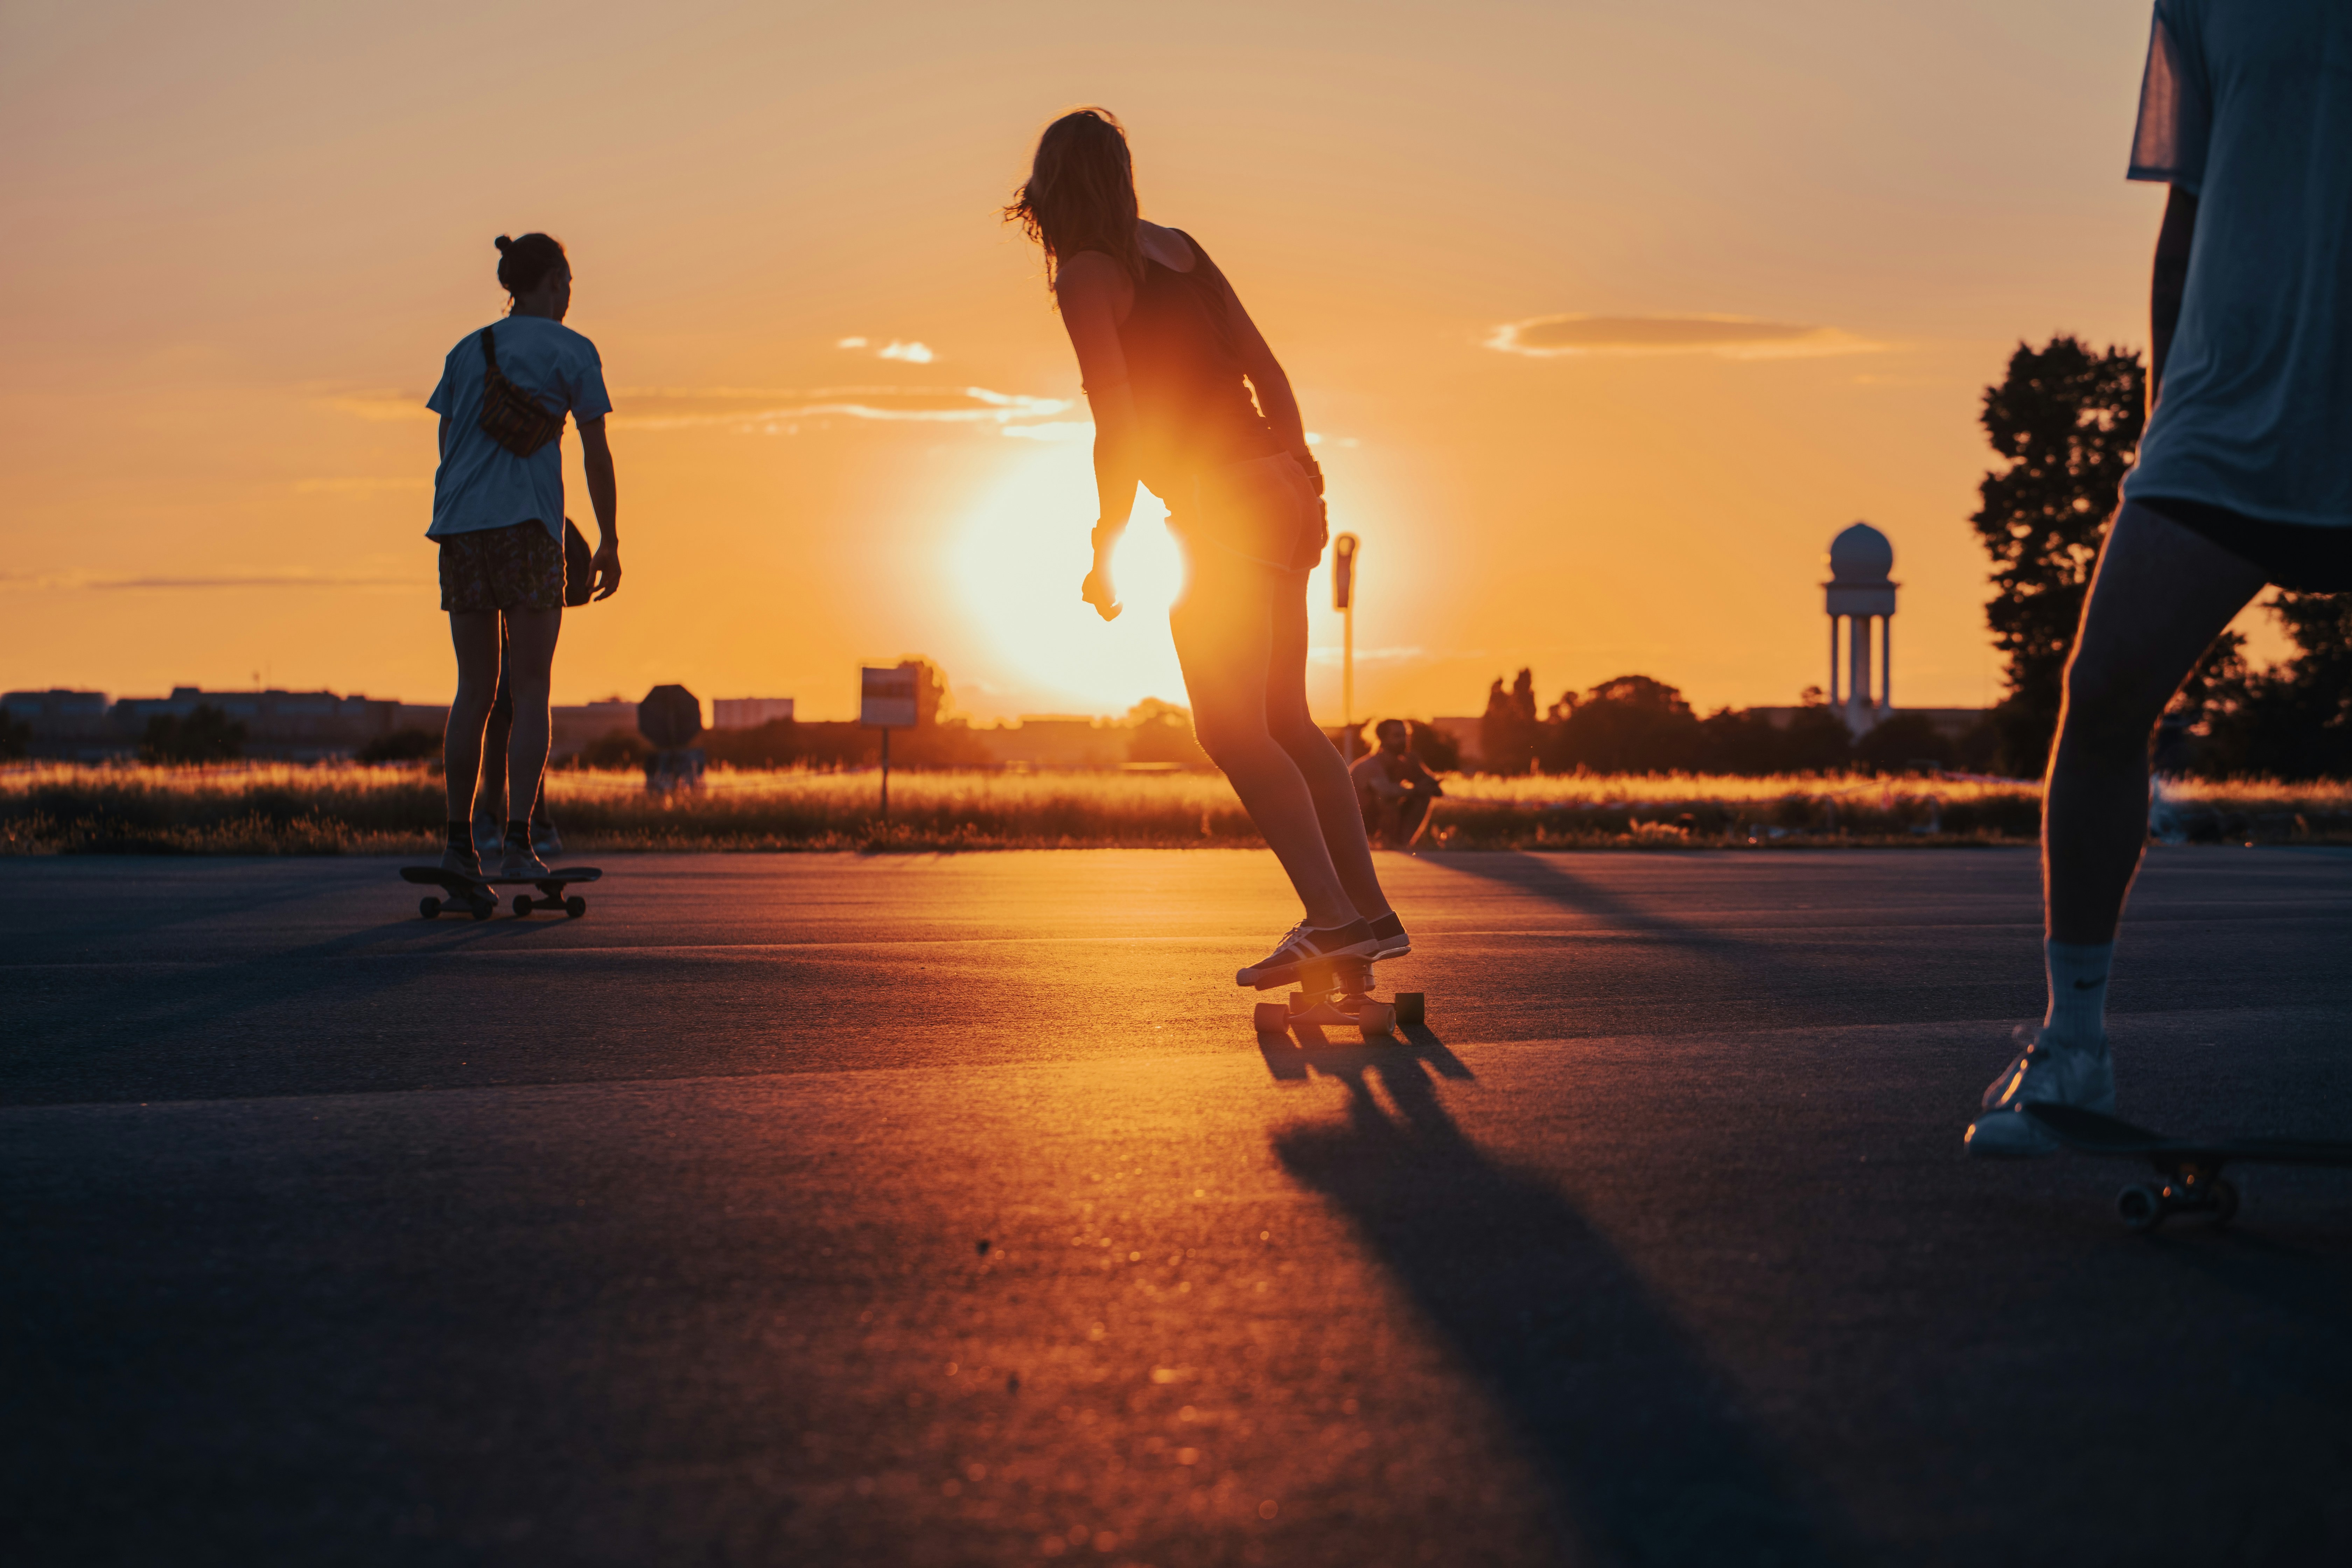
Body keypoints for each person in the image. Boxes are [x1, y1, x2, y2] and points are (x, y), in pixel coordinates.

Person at [1967, 1, 2352, 1154]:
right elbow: (2186, 211)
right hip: (2226, 413)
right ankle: (2073, 1047)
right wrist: (2162, 424)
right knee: (2102, 693)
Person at [1006, 108, 1408, 982]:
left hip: (1223, 503)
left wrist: (1107, 544)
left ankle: (1333, 920)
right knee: (1287, 722)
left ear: (1052, 189)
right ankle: (1369, 916)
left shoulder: (1087, 275)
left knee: (1230, 729)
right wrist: (1306, 474)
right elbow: (1270, 373)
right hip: (1284, 490)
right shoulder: (1180, 249)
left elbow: (1119, 427)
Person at [426, 233, 620, 881]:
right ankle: (518, 844)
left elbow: (447, 442)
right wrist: (609, 538)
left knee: (474, 691)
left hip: (459, 531)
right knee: (532, 688)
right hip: (527, 529)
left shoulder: (466, 351)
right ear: (554, 281)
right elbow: (596, 452)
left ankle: (459, 847)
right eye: (567, 283)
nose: (569, 295)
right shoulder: (571, 349)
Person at [1352, 720, 1444, 849]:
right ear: (1382, 739)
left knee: (1423, 797)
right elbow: (1387, 792)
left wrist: (1419, 768)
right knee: (1387, 799)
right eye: (1397, 736)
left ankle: (1401, 844)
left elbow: (1437, 791)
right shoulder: (1369, 765)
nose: (1403, 740)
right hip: (1358, 824)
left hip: (1380, 820)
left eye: (1405, 736)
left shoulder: (1405, 764)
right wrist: (1416, 789)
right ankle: (1381, 843)